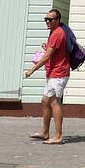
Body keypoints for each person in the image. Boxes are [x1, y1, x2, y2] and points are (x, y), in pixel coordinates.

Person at [26, 8, 69, 144]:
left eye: (50, 19)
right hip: (53, 73)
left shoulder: (58, 33)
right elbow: (53, 52)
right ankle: (45, 132)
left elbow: (47, 57)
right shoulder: (54, 32)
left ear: (57, 20)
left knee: (55, 102)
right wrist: (47, 48)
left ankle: (58, 136)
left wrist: (32, 69)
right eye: (46, 19)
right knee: (45, 101)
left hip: (58, 73)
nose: (47, 22)